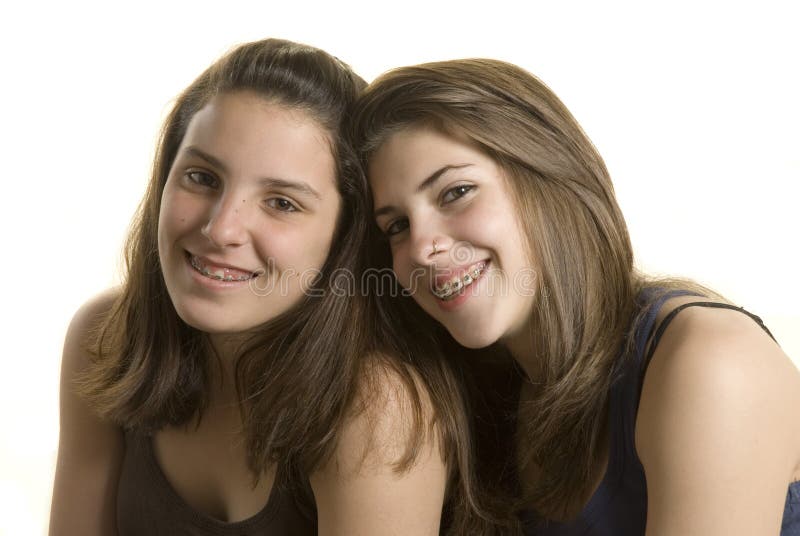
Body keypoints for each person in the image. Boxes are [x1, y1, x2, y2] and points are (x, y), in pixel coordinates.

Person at [50, 39, 487, 536]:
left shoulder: (377, 408)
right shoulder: (106, 337)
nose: (221, 229)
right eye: (201, 177)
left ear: (345, 237)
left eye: (281, 203)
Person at [352, 58, 800, 535]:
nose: (422, 246)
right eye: (396, 226)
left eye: (456, 191)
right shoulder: (484, 398)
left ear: (551, 177)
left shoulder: (712, 361)